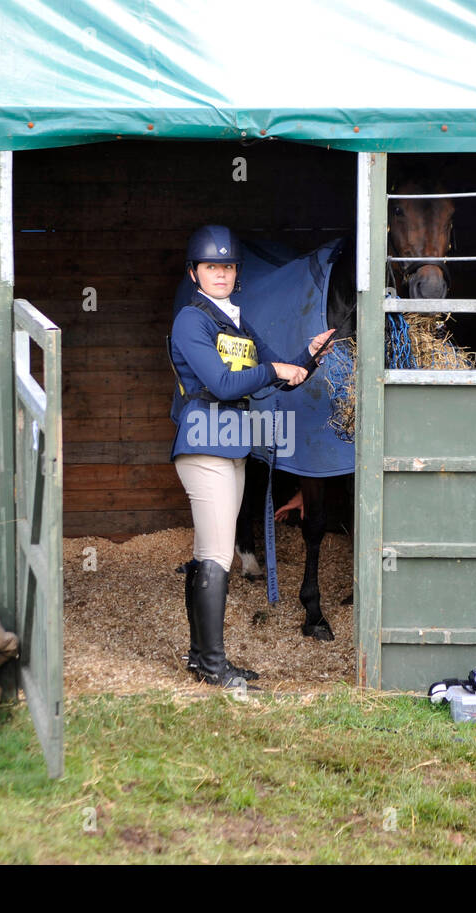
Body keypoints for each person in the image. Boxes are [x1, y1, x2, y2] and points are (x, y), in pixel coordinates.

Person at [168, 225, 333, 689]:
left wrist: (308, 356)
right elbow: (221, 384)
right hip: (203, 443)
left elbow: (282, 375)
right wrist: (271, 368)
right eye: (211, 266)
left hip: (233, 444)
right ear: (195, 273)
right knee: (218, 555)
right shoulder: (191, 320)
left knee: (208, 554)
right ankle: (215, 666)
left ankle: (203, 660)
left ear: (236, 273)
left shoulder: (235, 320)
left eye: (227, 266)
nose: (220, 273)